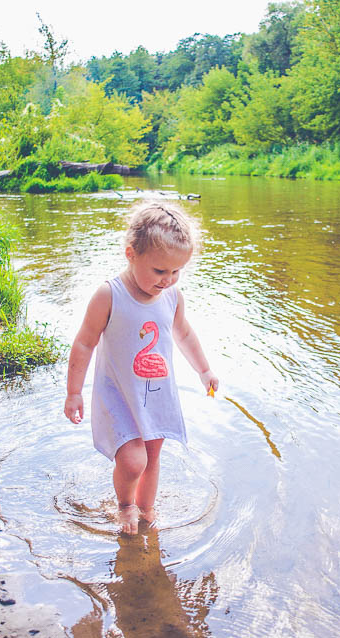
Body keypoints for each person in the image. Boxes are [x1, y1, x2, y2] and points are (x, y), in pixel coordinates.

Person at [64, 201, 219, 534]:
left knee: (152, 455)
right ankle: (125, 506)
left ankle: (147, 511)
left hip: (156, 392)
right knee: (134, 460)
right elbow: (84, 343)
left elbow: (184, 334)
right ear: (131, 254)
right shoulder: (109, 295)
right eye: (160, 271)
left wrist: (204, 370)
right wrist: (74, 392)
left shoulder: (172, 296)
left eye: (176, 271)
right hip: (118, 393)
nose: (168, 280)